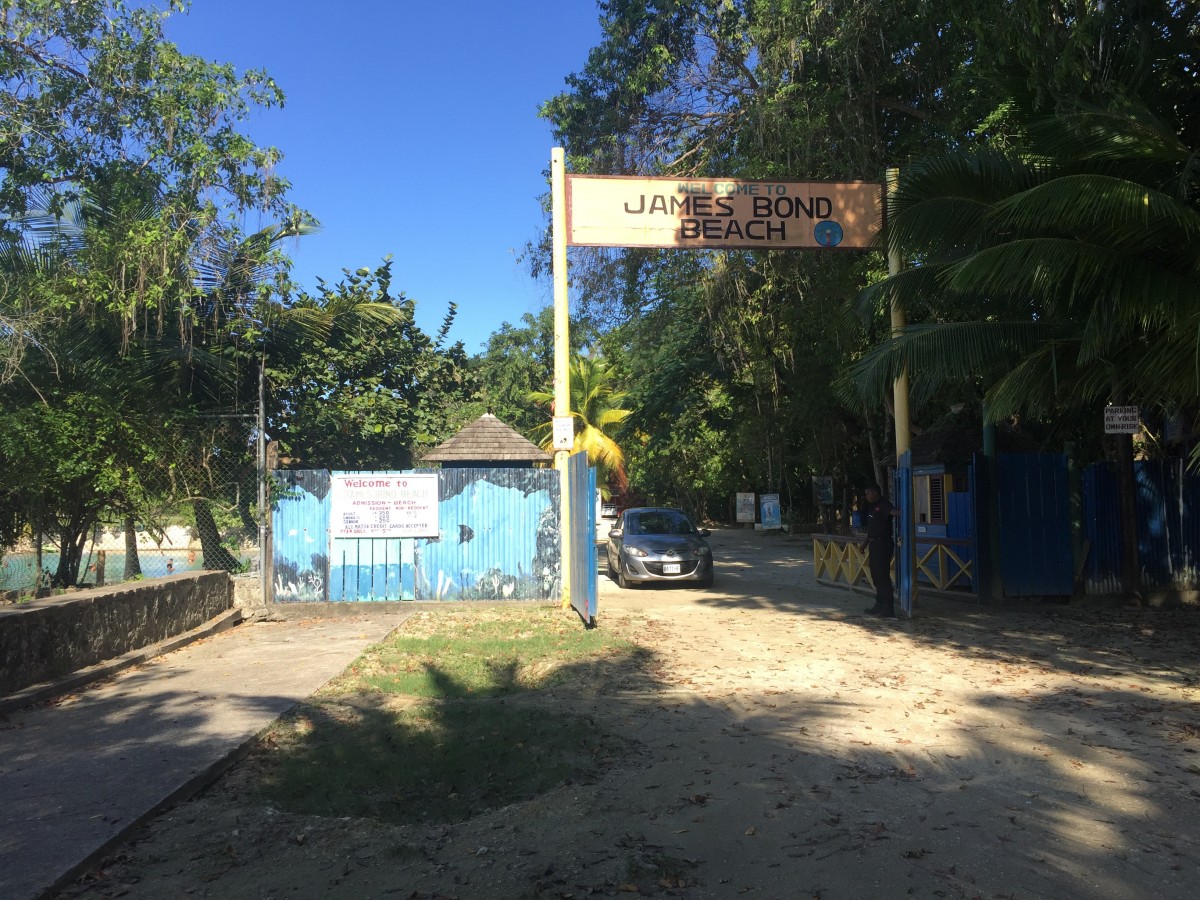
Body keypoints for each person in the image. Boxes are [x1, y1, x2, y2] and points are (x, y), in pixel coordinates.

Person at [860, 484, 898, 617]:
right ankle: (879, 604)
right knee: (875, 575)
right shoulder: (871, 506)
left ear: (875, 492)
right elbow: (872, 530)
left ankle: (888, 607)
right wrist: (864, 545)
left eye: (868, 493)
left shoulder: (883, 504)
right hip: (873, 544)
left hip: (883, 543)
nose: (866, 496)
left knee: (882, 576)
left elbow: (895, 513)